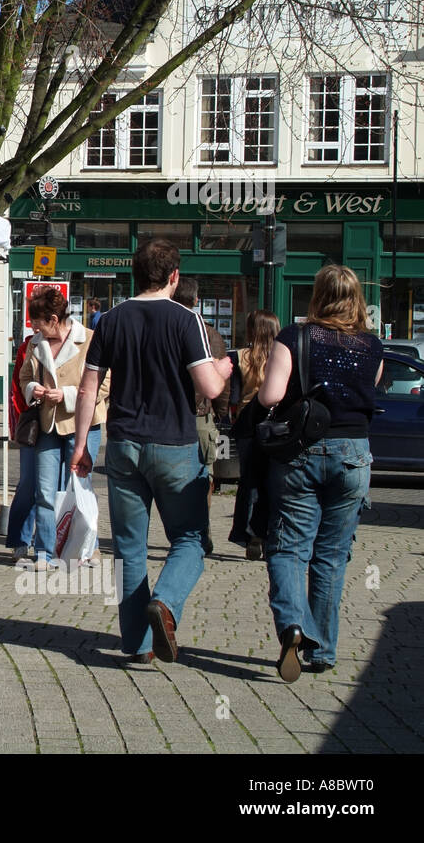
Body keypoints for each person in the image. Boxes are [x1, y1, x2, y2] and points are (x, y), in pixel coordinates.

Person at [70, 239, 232, 664]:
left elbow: (89, 388)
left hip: (123, 445)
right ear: (174, 278)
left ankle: (137, 645)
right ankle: (165, 602)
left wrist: (82, 443)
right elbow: (210, 387)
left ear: (134, 275)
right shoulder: (186, 320)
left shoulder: (111, 319)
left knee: (128, 548)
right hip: (175, 445)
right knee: (191, 539)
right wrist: (225, 368)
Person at [257, 265, 381, 681]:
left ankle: (294, 624)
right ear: (357, 298)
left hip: (303, 452)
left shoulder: (295, 337)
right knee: (331, 556)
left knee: (290, 548)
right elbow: (370, 390)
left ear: (317, 296)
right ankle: (324, 650)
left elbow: (270, 395)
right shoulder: (372, 345)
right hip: (354, 455)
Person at [19, 286, 108, 568]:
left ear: (55, 319)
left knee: (80, 487)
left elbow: (105, 383)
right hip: (47, 423)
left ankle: (88, 548)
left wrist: (67, 395)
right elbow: (24, 378)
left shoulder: (91, 340)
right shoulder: (36, 343)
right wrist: (34, 389)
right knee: (44, 491)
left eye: (40, 323)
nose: (36, 329)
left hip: (83, 423)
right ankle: (46, 552)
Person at [172, 277, 229, 555]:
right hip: (199, 415)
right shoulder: (210, 334)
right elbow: (220, 380)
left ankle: (181, 534)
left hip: (167, 415)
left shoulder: (164, 327)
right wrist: (221, 412)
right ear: (196, 301)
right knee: (202, 477)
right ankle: (200, 534)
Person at [227, 310, 280, 560]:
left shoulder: (239, 357)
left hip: (248, 422)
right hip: (277, 422)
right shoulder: (282, 356)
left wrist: (231, 415)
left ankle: (248, 533)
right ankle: (271, 534)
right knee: (274, 481)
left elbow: (234, 396)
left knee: (249, 481)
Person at [6, 336, 38, 561]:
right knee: (28, 482)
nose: (35, 325)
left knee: (51, 487)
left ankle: (46, 543)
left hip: (60, 421)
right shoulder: (27, 346)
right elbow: (17, 385)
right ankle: (20, 539)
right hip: (32, 420)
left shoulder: (76, 340)